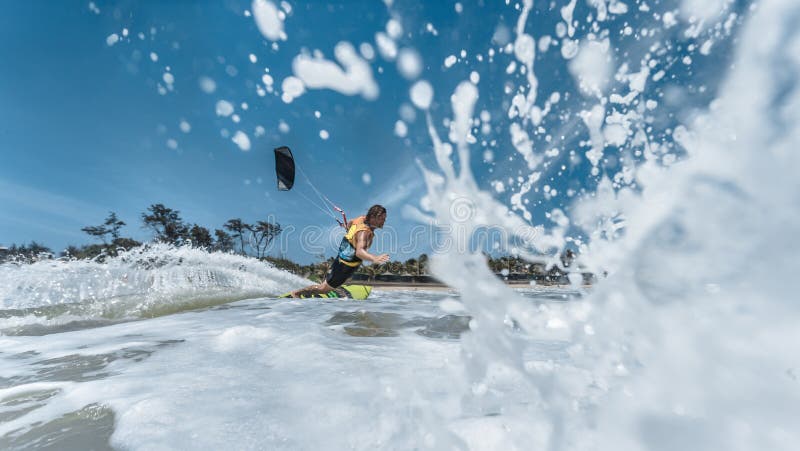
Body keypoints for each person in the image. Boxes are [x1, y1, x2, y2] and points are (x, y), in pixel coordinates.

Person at [290, 204, 389, 297]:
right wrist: (374, 258)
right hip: (345, 267)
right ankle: (297, 293)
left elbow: (350, 222)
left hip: (341, 259)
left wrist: (348, 229)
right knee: (323, 289)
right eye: (381, 219)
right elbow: (359, 252)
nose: (384, 221)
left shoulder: (361, 219)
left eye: (384, 218)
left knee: (331, 283)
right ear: (372, 217)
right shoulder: (365, 233)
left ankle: (329, 286)